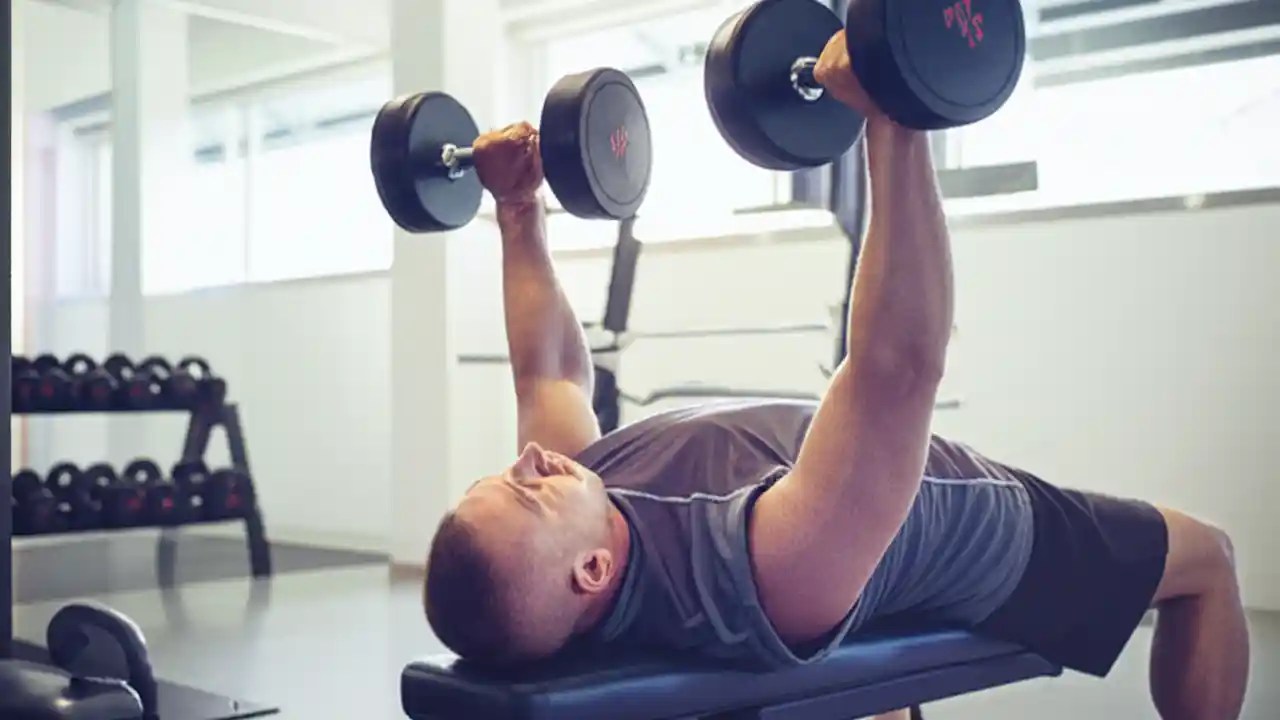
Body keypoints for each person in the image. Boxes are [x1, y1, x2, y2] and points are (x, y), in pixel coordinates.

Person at [422, 33, 1250, 720]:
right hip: (961, 518)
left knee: (852, 639)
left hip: (846, 536)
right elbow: (899, 367)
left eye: (502, 475)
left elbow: (550, 370)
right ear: (593, 572)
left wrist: (519, 208)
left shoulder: (580, 493)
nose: (529, 461)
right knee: (1206, 558)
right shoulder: (759, 570)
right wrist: (895, 116)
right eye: (527, 491)